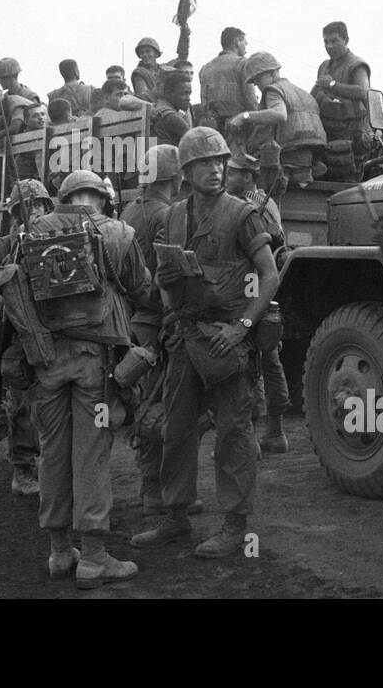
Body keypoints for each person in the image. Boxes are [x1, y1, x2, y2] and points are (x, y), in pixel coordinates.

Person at [131, 127, 279, 558]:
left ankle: (235, 525)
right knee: (176, 430)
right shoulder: (174, 216)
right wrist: (170, 303)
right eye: (203, 164)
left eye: (219, 162)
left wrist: (244, 328)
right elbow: (162, 274)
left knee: (233, 432)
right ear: (186, 171)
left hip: (227, 341)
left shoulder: (242, 214)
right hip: (185, 337)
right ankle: (175, 517)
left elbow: (269, 275)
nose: (214, 170)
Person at [6, 170, 151, 588]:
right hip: (97, 364)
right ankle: (94, 558)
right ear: (103, 198)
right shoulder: (120, 233)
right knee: (91, 456)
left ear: (61, 198)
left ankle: (57, 552)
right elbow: (143, 291)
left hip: (47, 362)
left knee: (52, 453)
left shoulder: (29, 234)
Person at [119, 145, 201, 515]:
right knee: (162, 406)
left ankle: (151, 487)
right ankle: (155, 491)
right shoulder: (169, 214)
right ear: (176, 176)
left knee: (144, 402)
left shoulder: (129, 210)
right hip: (159, 321)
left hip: (131, 322)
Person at [0, 179, 53, 497]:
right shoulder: (3, 247)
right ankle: (22, 468)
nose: (34, 212)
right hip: (16, 337)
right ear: (14, 213)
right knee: (21, 403)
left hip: (52, 332)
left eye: (40, 205)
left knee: (53, 401)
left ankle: (53, 467)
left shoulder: (56, 238)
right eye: (27, 207)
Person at [224, 152, 289, 453]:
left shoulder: (250, 207)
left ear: (248, 176)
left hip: (251, 290)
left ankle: (253, 436)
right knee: (269, 360)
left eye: (234, 172)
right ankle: (273, 433)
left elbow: (274, 242)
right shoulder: (264, 204)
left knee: (250, 364)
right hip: (263, 289)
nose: (227, 176)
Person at [231, 51, 327, 188]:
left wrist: (244, 116)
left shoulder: (273, 90)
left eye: (258, 79)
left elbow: (280, 114)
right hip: (309, 157)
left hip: (286, 156)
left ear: (272, 73)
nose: (257, 85)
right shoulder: (303, 94)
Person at [311, 21, 374, 178]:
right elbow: (314, 93)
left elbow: (362, 92)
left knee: (346, 177)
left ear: (346, 40)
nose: (329, 46)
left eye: (334, 41)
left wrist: (332, 84)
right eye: (325, 41)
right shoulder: (324, 66)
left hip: (351, 135)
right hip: (327, 131)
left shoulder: (356, 65)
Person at [199, 26, 255, 135]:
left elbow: (204, 104)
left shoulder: (205, 68)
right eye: (245, 43)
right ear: (237, 42)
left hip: (213, 132)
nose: (246, 47)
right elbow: (251, 102)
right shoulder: (243, 64)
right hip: (239, 129)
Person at [150, 71, 194, 147]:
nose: (188, 99)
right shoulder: (170, 116)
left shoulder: (159, 107)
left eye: (189, 94)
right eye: (183, 94)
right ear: (168, 93)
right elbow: (195, 141)